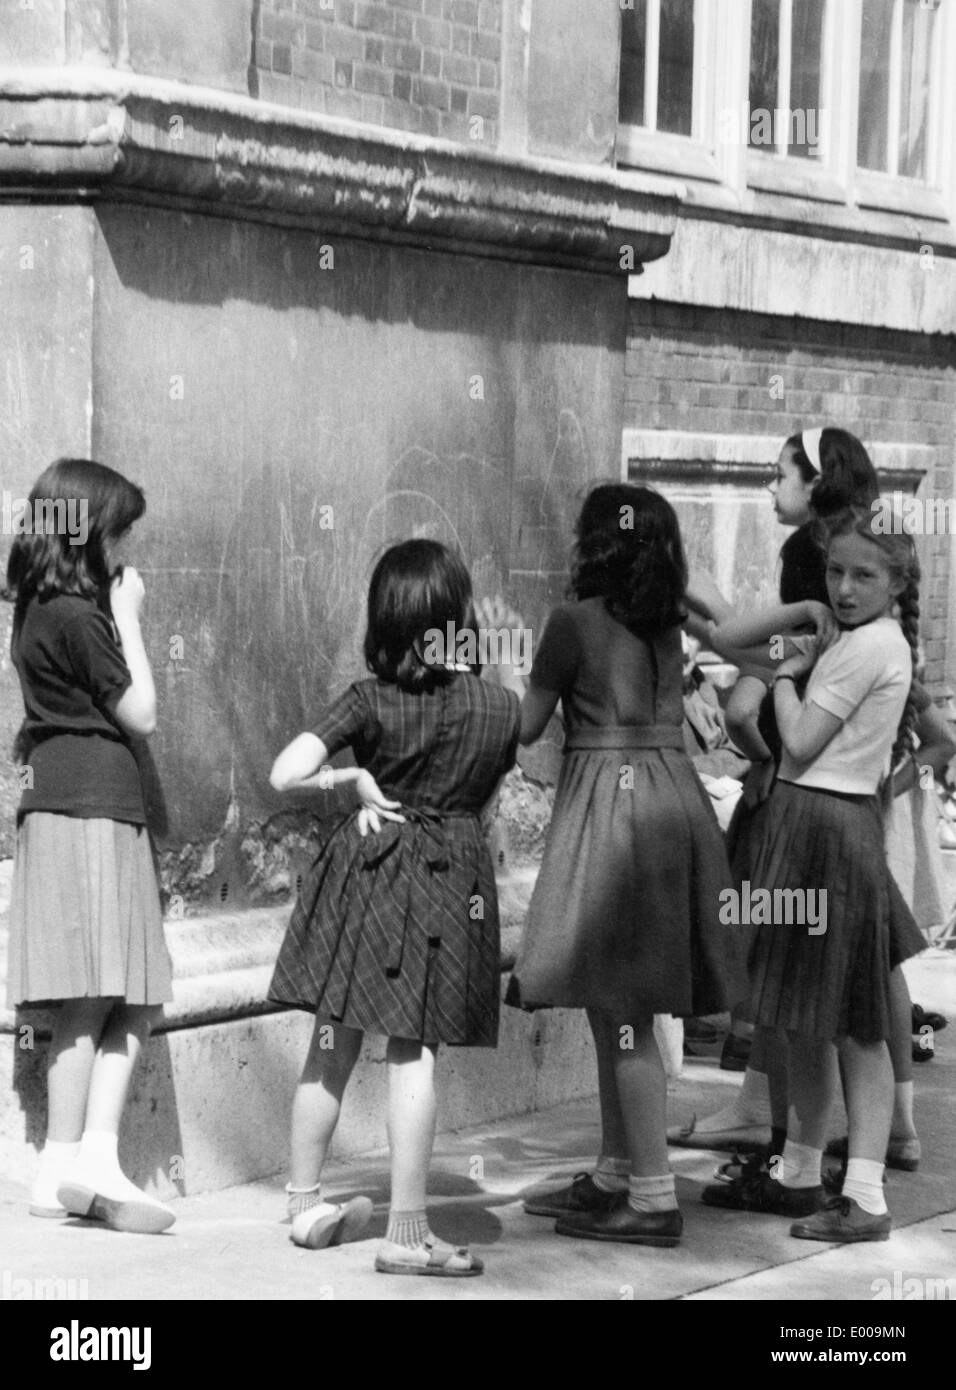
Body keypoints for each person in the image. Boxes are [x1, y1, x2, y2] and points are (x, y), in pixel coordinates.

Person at [484, 483, 747, 1247]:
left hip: (610, 808)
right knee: (614, 1008)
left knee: (623, 1011)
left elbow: (526, 728)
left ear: (592, 545)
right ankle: (613, 1172)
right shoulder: (671, 624)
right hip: (673, 802)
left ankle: (653, 1195)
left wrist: (504, 664)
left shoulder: (571, 624)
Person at [267, 539, 520, 1276]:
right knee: (414, 1055)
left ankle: (305, 1201)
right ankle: (408, 1235)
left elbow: (285, 773)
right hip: (450, 885)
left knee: (332, 1038)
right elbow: (488, 799)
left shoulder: (367, 698)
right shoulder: (500, 709)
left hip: (370, 876)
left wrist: (346, 786)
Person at [703, 506, 924, 1241]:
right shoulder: (842, 630)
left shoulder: (872, 647)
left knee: (853, 1021)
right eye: (835, 571)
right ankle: (799, 1173)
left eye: (865, 575)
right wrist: (800, 610)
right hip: (807, 826)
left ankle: (863, 1194)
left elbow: (797, 740)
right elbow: (724, 639)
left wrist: (790, 674)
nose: (845, 587)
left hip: (831, 827)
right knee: (800, 1014)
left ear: (898, 581)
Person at [4, 458, 174, 1234]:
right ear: (86, 532)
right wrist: (130, 618)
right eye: (120, 530)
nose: (128, 547)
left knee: (87, 990)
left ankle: (62, 1167)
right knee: (129, 990)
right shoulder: (82, 614)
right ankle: (93, 1158)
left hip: (57, 801)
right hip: (100, 803)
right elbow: (140, 711)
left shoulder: (33, 609)